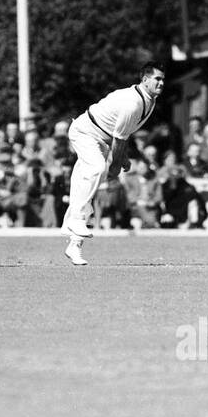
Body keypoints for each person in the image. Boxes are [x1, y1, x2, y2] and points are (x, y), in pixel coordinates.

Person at [61, 63, 166, 265]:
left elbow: (121, 133)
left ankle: (74, 245)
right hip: (84, 132)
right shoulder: (133, 102)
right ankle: (74, 220)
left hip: (101, 139)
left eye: (162, 79)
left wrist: (122, 158)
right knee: (98, 169)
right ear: (145, 80)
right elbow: (119, 138)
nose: (161, 83)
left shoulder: (149, 100)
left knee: (87, 186)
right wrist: (116, 165)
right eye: (157, 79)